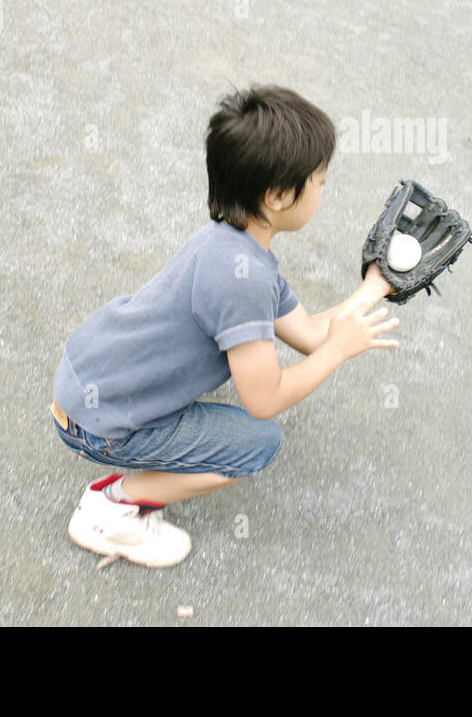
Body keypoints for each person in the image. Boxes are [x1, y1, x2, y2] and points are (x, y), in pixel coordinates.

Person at [51, 85, 399, 568]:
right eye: (319, 180)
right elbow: (265, 398)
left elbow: (309, 333)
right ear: (278, 195)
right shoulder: (245, 282)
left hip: (84, 377)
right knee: (257, 444)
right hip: (97, 423)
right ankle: (112, 506)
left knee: (240, 404)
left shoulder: (229, 245)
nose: (323, 188)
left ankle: (123, 478)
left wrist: (376, 285)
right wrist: (338, 353)